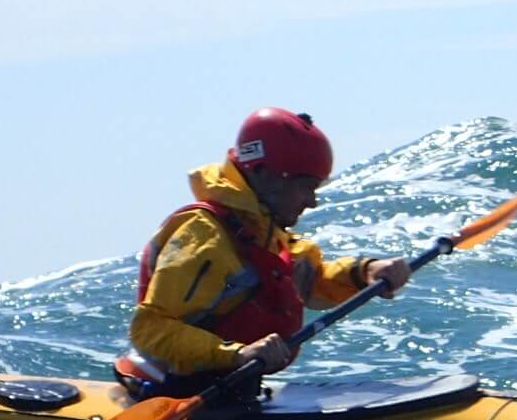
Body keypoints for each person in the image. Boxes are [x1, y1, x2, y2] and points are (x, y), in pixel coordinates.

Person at [115, 108, 413, 400]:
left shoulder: (261, 228)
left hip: (229, 387)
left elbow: (310, 280)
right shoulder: (204, 236)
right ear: (267, 176)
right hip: (172, 391)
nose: (312, 201)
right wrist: (238, 354)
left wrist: (366, 272)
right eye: (305, 187)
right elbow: (150, 329)